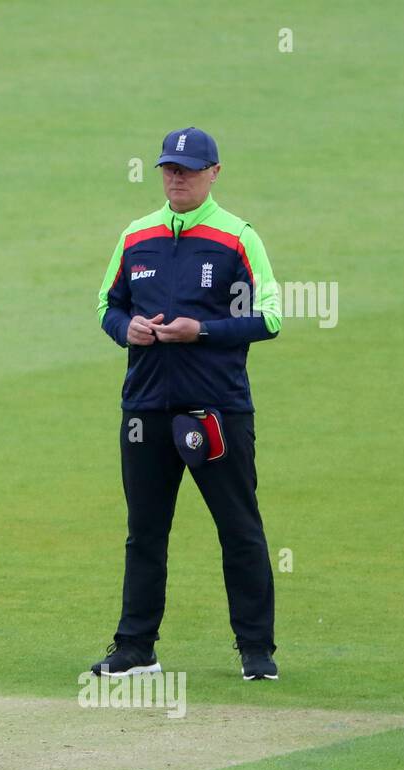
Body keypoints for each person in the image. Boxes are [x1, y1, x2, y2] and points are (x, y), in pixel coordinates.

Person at [93, 127, 282, 681]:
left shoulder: (237, 238)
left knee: (238, 527)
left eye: (188, 169)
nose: (176, 177)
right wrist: (128, 329)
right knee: (144, 530)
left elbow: (269, 317)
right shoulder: (136, 237)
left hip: (216, 409)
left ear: (214, 174)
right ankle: (135, 647)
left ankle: (256, 650)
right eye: (169, 169)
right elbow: (108, 306)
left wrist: (200, 330)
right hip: (145, 408)